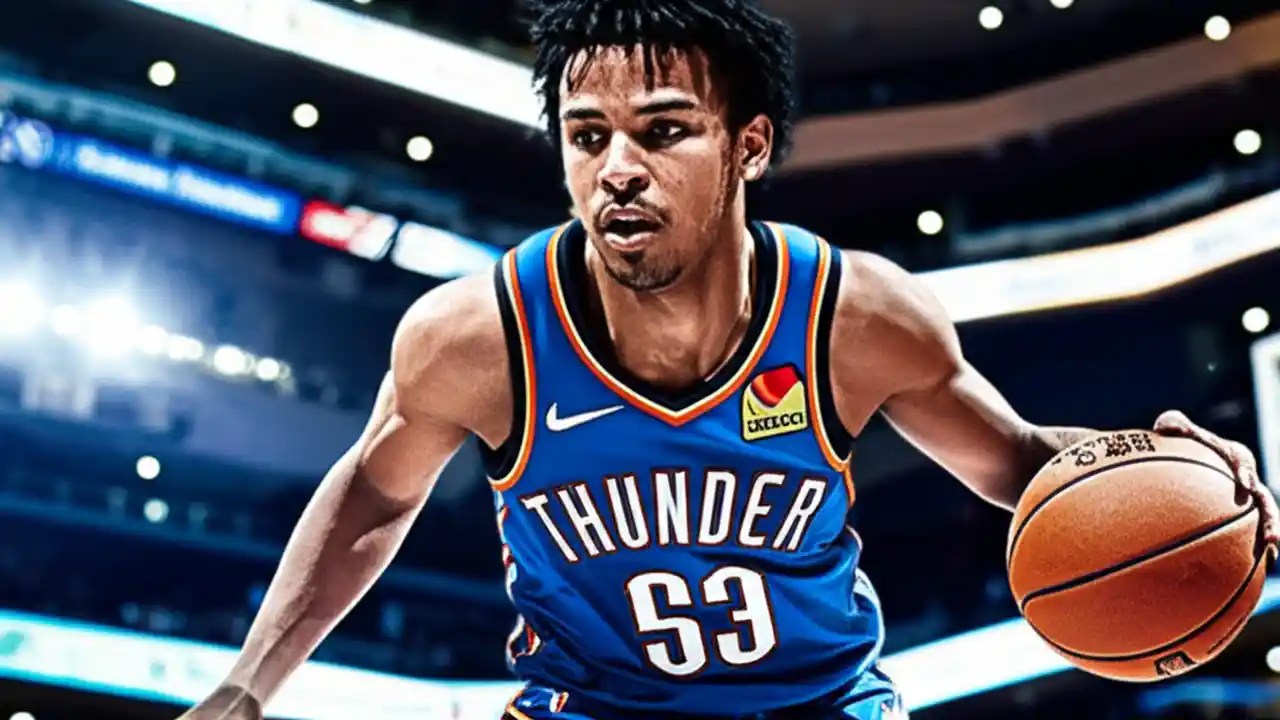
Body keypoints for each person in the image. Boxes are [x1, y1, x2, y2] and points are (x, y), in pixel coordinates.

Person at [177, 1, 1280, 718]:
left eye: (661, 131)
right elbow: (371, 495)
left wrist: (1152, 465)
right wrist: (245, 688)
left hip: (819, 707)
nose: (615, 167)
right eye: (586, 133)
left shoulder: (854, 316)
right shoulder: (479, 335)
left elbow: (1020, 465)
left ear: (747, 143)